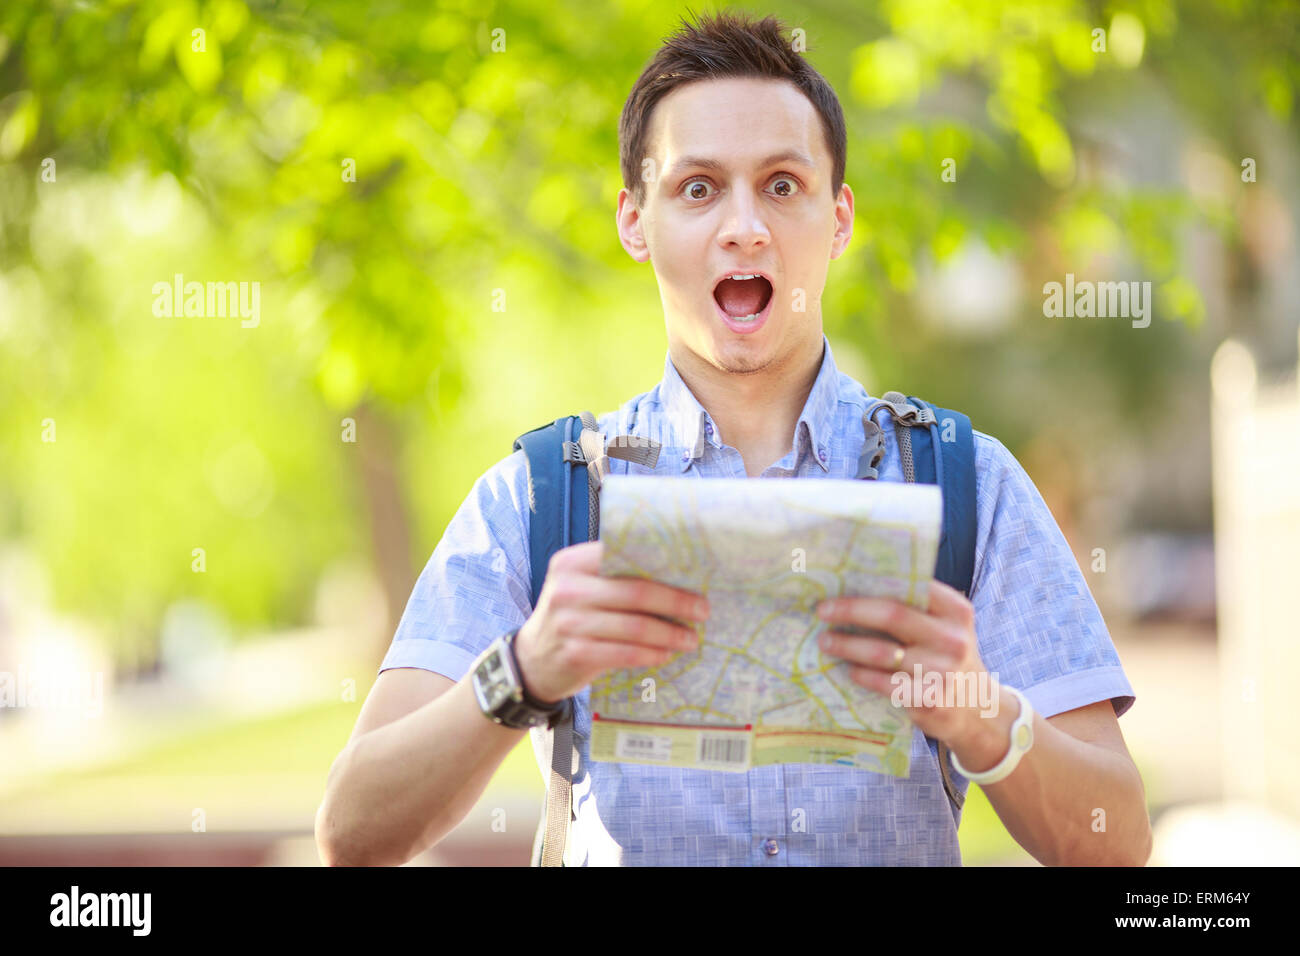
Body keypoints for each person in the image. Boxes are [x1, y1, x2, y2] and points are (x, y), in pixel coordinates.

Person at [315, 10, 1150, 867]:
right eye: (698, 187)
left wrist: (980, 712)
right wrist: (521, 673)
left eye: (783, 185)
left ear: (840, 219)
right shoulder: (540, 498)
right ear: (635, 222)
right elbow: (353, 832)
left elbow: (1118, 848)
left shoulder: (965, 483)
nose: (744, 226)